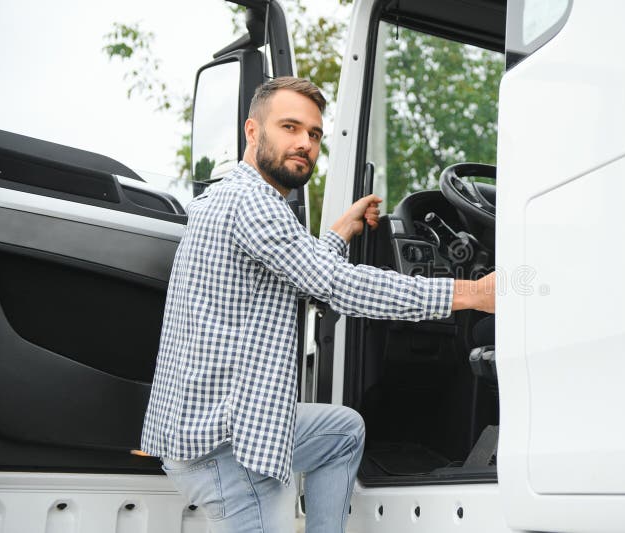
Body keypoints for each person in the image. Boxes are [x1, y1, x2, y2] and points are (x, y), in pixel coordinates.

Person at [140, 76, 495, 533]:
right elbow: (336, 285)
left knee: (342, 432)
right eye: (289, 127)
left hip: (213, 430)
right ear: (253, 131)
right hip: (228, 451)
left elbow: (303, 275)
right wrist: (473, 294)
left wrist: (341, 231)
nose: (304, 143)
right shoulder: (254, 203)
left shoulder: (230, 197)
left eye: (313, 134)